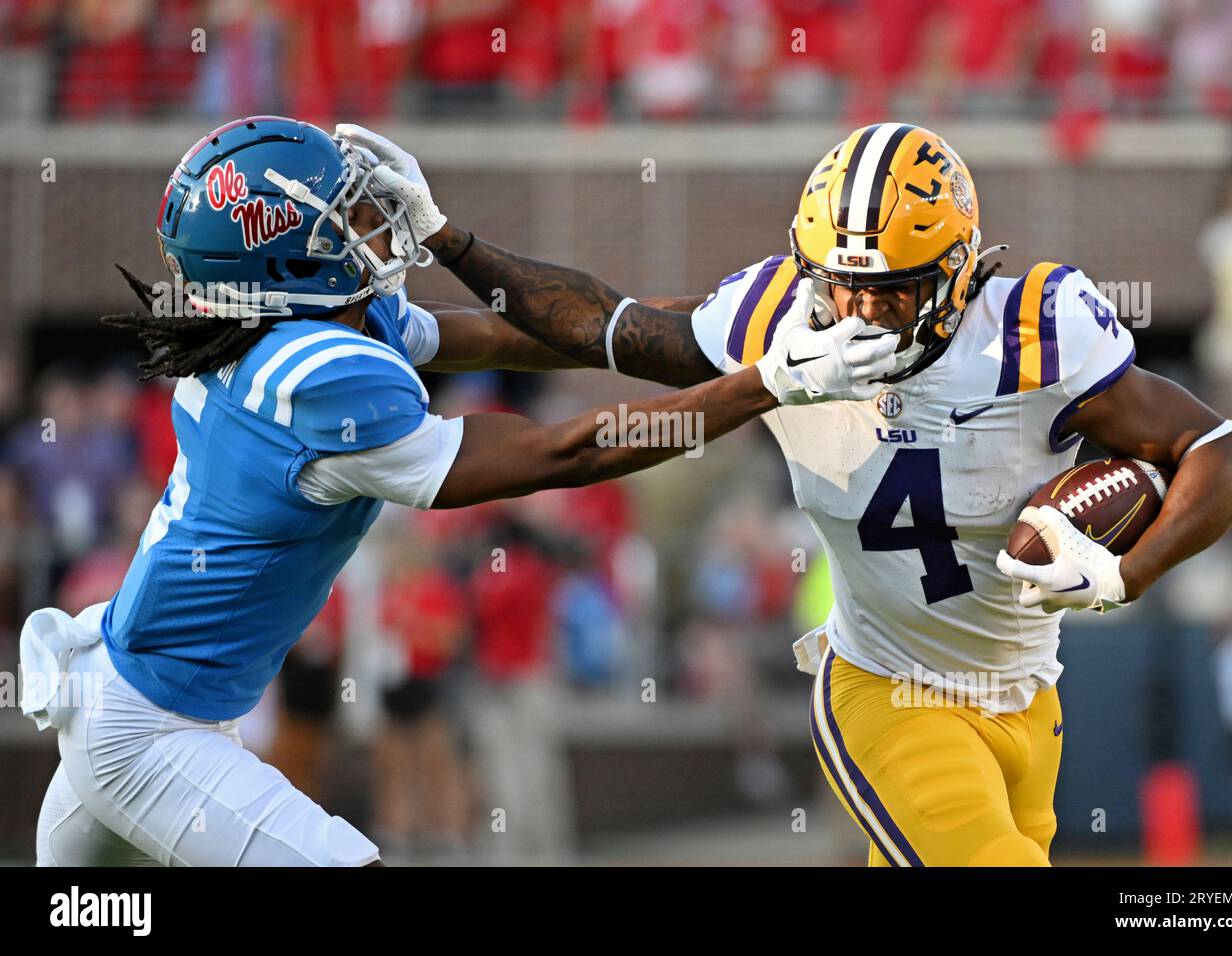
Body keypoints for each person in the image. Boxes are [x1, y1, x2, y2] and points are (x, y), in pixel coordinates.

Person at [24, 115, 894, 867]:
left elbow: (526, 337)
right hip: (148, 731)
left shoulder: (285, 324)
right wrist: (768, 385)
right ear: (285, 260)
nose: (372, 227)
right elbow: (564, 454)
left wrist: (722, 330)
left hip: (132, 692)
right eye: (345, 217)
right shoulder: (316, 371)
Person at [406, 121, 1232, 866]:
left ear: (959, 271)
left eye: (891, 289)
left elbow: (1224, 453)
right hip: (886, 691)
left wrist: (1131, 573)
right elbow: (606, 327)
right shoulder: (779, 319)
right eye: (838, 282)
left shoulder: (1035, 333)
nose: (857, 310)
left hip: (1030, 697)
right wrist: (439, 280)